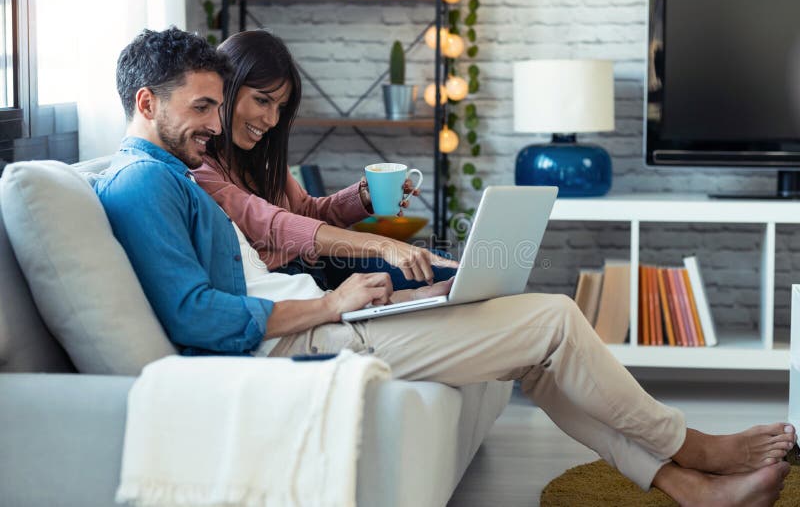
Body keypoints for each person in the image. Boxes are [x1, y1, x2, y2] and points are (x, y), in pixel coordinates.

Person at [96, 27, 794, 506]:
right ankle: (694, 449)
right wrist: (338, 302)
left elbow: (286, 227)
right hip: (297, 340)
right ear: (147, 102)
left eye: (221, 106)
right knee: (552, 316)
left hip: (309, 321)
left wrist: (364, 219)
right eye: (204, 107)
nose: (218, 126)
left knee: (534, 345)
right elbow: (199, 314)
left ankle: (689, 488)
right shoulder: (152, 181)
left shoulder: (172, 170)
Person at [191, 29, 457, 291]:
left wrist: (365, 198)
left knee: (444, 268)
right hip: (289, 282)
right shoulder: (200, 169)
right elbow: (273, 225)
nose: (272, 120)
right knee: (433, 276)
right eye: (262, 101)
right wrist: (384, 245)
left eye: (280, 108)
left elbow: (307, 212)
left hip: (319, 264)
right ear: (225, 89)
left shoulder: (260, 156)